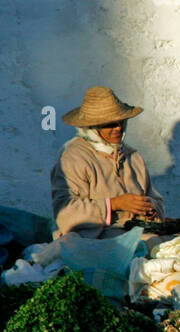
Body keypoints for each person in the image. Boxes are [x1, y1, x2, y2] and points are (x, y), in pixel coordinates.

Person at [51, 86, 165, 239]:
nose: (118, 128)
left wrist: (150, 208)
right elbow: (65, 212)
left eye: (121, 122)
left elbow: (155, 199)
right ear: (93, 127)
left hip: (138, 233)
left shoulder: (133, 156)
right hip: (98, 240)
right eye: (110, 124)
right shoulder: (73, 157)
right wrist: (114, 204)